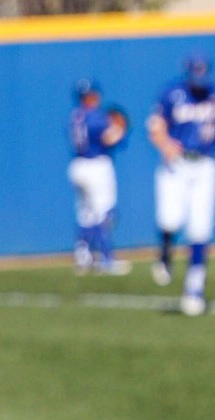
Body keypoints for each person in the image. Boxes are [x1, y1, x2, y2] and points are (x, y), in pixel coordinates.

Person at [147, 53, 215, 315]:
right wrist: (165, 144)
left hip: (205, 164)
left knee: (200, 228)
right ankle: (166, 251)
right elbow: (155, 127)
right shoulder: (172, 93)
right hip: (176, 163)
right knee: (170, 220)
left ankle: (194, 287)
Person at [67, 78, 132, 276]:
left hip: (77, 166)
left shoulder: (74, 116)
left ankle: (83, 255)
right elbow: (109, 138)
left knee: (85, 214)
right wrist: (121, 131)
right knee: (105, 213)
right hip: (96, 165)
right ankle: (106, 259)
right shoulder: (97, 117)